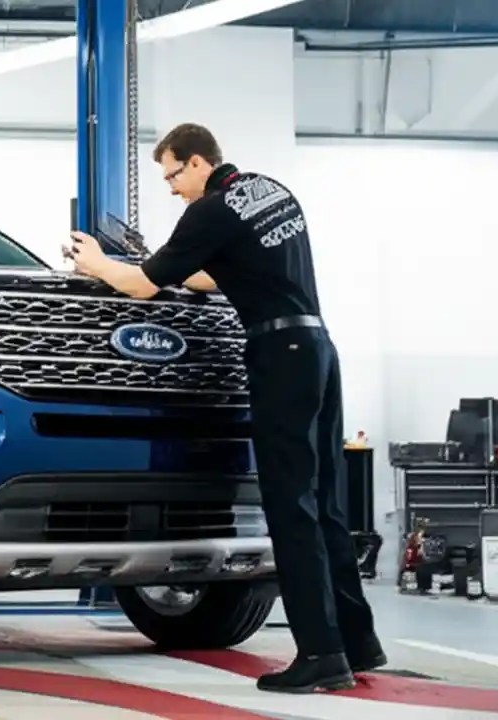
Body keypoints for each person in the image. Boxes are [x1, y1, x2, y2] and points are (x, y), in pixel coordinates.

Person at [65, 123, 384, 694]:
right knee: (326, 502)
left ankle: (320, 654)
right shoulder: (270, 191)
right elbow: (227, 273)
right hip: (320, 351)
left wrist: (97, 264)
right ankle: (358, 642)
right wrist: (180, 270)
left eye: (171, 175)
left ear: (195, 163)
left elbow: (141, 286)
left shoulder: (208, 211)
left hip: (279, 354)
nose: (170, 189)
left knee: (290, 507)